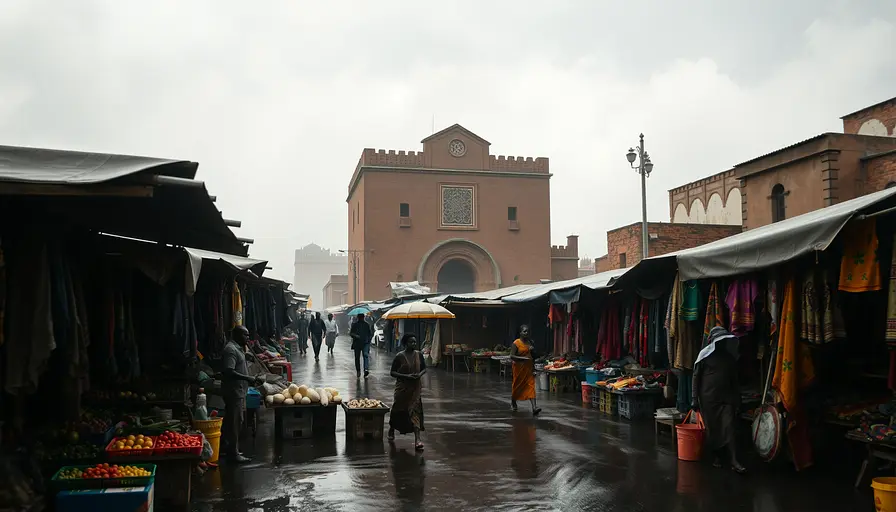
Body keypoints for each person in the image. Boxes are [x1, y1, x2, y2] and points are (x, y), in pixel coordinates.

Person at [692, 326, 745, 474]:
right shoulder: (704, 356)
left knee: (729, 427)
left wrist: (738, 400)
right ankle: (717, 457)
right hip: (709, 399)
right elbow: (695, 378)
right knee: (713, 428)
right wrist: (694, 399)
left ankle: (734, 460)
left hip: (726, 398)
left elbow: (735, 381)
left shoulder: (729, 358)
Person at [221, 326, 263, 463]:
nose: (248, 338)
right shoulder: (230, 350)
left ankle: (230, 448)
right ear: (237, 335)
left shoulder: (237, 348)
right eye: (245, 335)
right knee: (234, 422)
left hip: (239, 390)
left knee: (235, 421)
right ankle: (233, 454)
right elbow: (229, 371)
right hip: (234, 391)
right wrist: (248, 378)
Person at [389, 333, 426, 451]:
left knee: (415, 411)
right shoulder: (399, 356)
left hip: (415, 388)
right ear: (405, 343)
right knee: (398, 410)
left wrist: (419, 375)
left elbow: (424, 368)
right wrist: (406, 376)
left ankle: (417, 440)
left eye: (415, 342)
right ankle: (392, 428)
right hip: (402, 389)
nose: (413, 344)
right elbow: (393, 372)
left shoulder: (419, 355)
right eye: (411, 342)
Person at [510, 325, 541, 415]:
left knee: (531, 387)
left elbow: (535, 356)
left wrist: (532, 350)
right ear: (520, 333)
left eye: (527, 331)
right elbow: (512, 356)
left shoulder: (530, 342)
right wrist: (522, 359)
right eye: (524, 331)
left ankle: (534, 407)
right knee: (517, 387)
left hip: (528, 369)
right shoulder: (516, 343)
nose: (526, 333)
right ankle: (513, 401)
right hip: (519, 369)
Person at [350, 313, 372, 379]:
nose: (362, 319)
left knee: (365, 355)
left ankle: (366, 370)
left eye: (362, 317)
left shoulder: (367, 325)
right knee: (357, 358)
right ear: (358, 318)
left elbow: (370, 334)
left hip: (365, 343)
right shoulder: (355, 325)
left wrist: (368, 341)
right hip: (357, 344)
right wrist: (355, 335)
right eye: (360, 317)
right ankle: (358, 371)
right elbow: (351, 333)